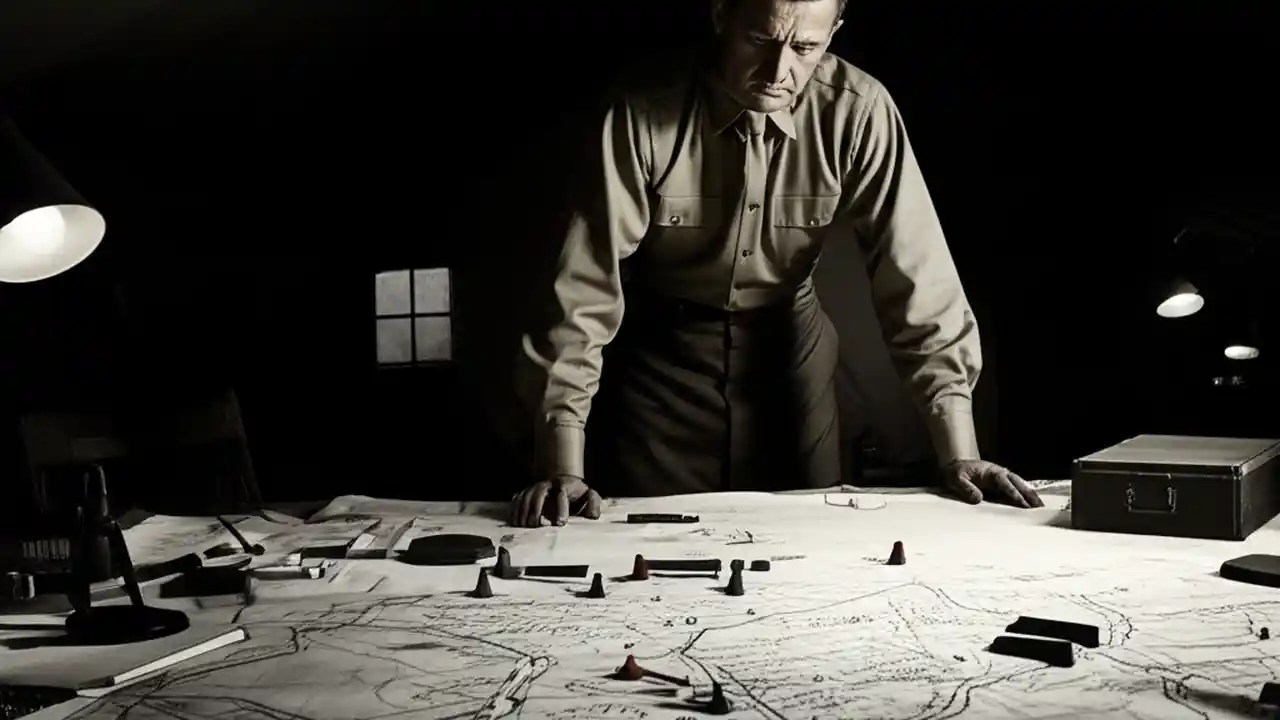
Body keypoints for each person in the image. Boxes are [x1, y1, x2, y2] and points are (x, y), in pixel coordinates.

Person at [510, 0, 1043, 527]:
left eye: (805, 47)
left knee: (805, 543)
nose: (777, 71)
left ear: (833, 33)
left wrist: (960, 455)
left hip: (792, 360)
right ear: (721, 16)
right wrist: (562, 465)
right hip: (661, 371)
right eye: (761, 41)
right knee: (648, 546)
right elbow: (581, 289)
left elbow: (920, 282)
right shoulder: (640, 108)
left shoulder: (860, 110)